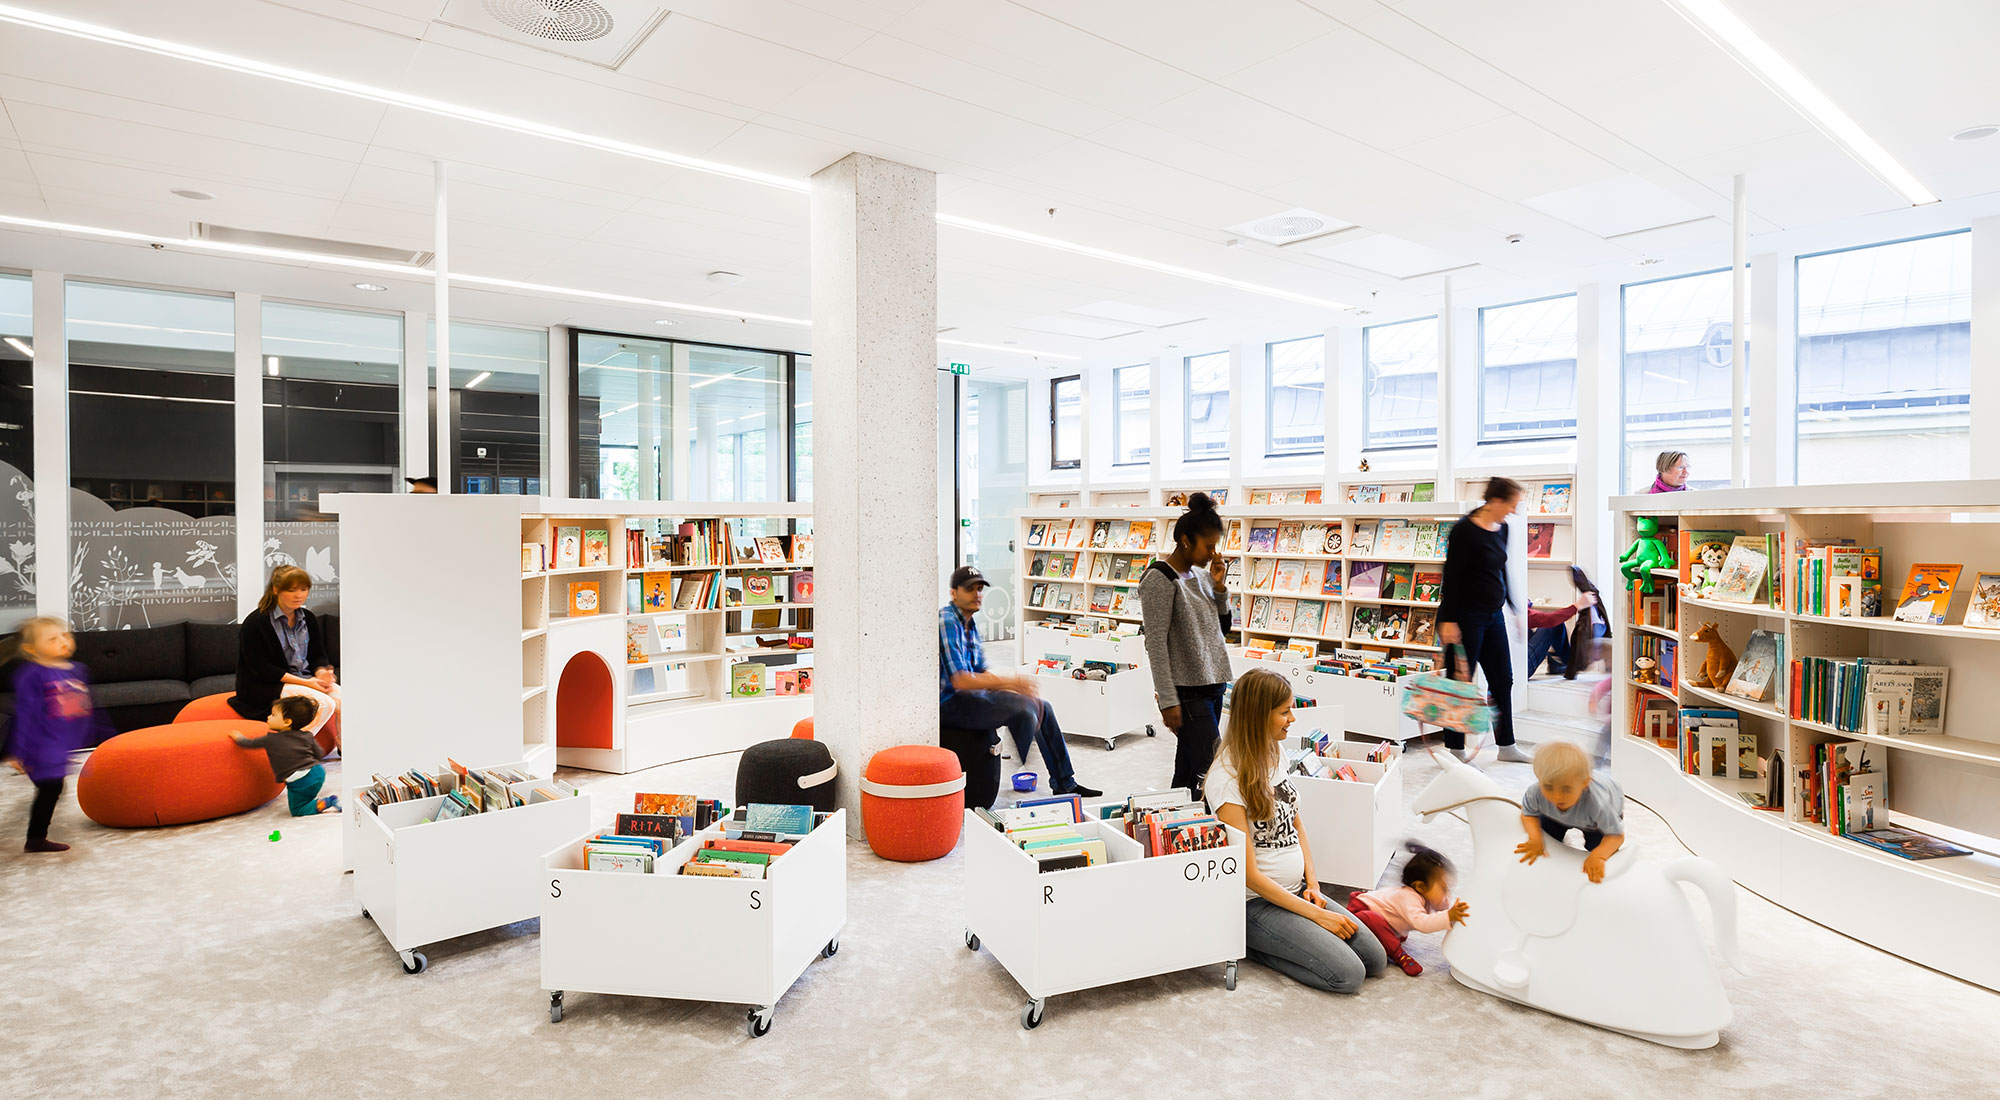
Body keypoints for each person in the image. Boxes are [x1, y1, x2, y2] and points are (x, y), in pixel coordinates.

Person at [1209, 667, 1387, 994]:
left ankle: (1294, 934)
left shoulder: (1274, 752)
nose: (1292, 718)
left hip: (1298, 889)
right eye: (1284, 711)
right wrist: (1316, 917)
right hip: (1255, 904)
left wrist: (1315, 886)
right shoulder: (1225, 781)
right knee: (1348, 974)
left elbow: (1296, 822)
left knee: (1375, 959)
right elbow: (1248, 876)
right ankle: (1253, 946)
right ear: (1258, 716)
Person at [939, 566, 1099, 798]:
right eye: (969, 589)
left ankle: (1065, 782)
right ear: (954, 593)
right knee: (1023, 709)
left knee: (1042, 705)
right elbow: (961, 680)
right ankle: (1022, 756)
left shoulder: (970, 624)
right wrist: (1011, 683)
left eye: (980, 589)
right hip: (951, 704)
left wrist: (1016, 688)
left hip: (971, 697)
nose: (977, 594)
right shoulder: (947, 621)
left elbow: (980, 671)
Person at [1139, 492, 1234, 798]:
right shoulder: (1158, 578)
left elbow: (1223, 629)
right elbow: (1155, 643)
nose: (1212, 554)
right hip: (1190, 693)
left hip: (1214, 685)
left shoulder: (1204, 577)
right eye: (1208, 546)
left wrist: (1219, 587)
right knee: (1213, 773)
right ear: (1185, 541)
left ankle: (1167, 823)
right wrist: (1168, 700)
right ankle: (1216, 837)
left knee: (1187, 773)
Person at [1437, 477, 1529, 764]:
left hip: (1493, 616)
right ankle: (1454, 748)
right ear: (1496, 500)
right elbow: (1450, 578)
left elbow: (1502, 571)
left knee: (1503, 679)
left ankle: (1506, 746)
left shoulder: (1503, 529)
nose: (1514, 510)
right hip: (1464, 617)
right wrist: (1448, 620)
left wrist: (1514, 609)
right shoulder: (1463, 531)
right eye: (1512, 503)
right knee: (1459, 681)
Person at [3, 617, 104, 853]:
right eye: (52, 638)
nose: (63, 641)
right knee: (50, 788)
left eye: (65, 635)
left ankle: (36, 836)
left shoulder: (78, 670)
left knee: (53, 786)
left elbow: (84, 709)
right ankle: (36, 838)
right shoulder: (31, 676)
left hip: (56, 745)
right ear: (31, 649)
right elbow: (26, 716)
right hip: (38, 745)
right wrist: (19, 751)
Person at [231, 565, 341, 751]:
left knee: (343, 700)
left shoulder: (308, 618)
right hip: (268, 685)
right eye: (291, 590)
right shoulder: (256, 623)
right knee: (323, 704)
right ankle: (294, 752)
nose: (299, 595)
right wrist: (308, 684)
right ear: (276, 590)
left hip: (305, 679)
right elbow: (263, 669)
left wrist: (322, 672)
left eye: (303, 589)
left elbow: (317, 655)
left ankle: (342, 746)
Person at [1347, 842, 1471, 976]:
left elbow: (1442, 908)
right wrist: (1448, 916)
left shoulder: (1426, 895)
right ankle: (1399, 955)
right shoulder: (1409, 897)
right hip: (1360, 914)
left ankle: (1389, 939)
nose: (1447, 894)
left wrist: (1455, 911)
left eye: (1448, 888)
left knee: (1400, 932)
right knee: (1374, 920)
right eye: (1443, 888)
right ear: (1420, 887)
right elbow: (1422, 924)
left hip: (1384, 917)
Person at [1516, 741, 1626, 884]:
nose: (1557, 797)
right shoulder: (1536, 792)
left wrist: (1599, 856)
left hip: (1594, 823)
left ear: (1585, 783)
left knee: (1599, 851)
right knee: (1548, 839)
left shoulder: (1599, 803)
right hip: (1554, 816)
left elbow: (1616, 836)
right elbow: (1528, 813)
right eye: (1548, 787)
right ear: (1538, 779)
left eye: (1566, 789)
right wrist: (1534, 838)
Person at [232, 696, 339, 817]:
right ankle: (314, 801)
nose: (268, 717)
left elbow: (249, 743)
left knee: (298, 809)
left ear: (287, 722)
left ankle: (324, 803)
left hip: (299, 780)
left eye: (273, 715)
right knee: (306, 795)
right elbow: (319, 753)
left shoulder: (270, 739)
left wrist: (237, 737)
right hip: (317, 772)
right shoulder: (307, 735)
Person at [1525, 593, 1598, 679]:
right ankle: (1569, 662)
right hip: (1523, 667)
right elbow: (1550, 619)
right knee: (1552, 625)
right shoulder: (1517, 613)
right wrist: (1578, 606)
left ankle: (1559, 664)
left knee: (1554, 624)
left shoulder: (1511, 611)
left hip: (1520, 664)